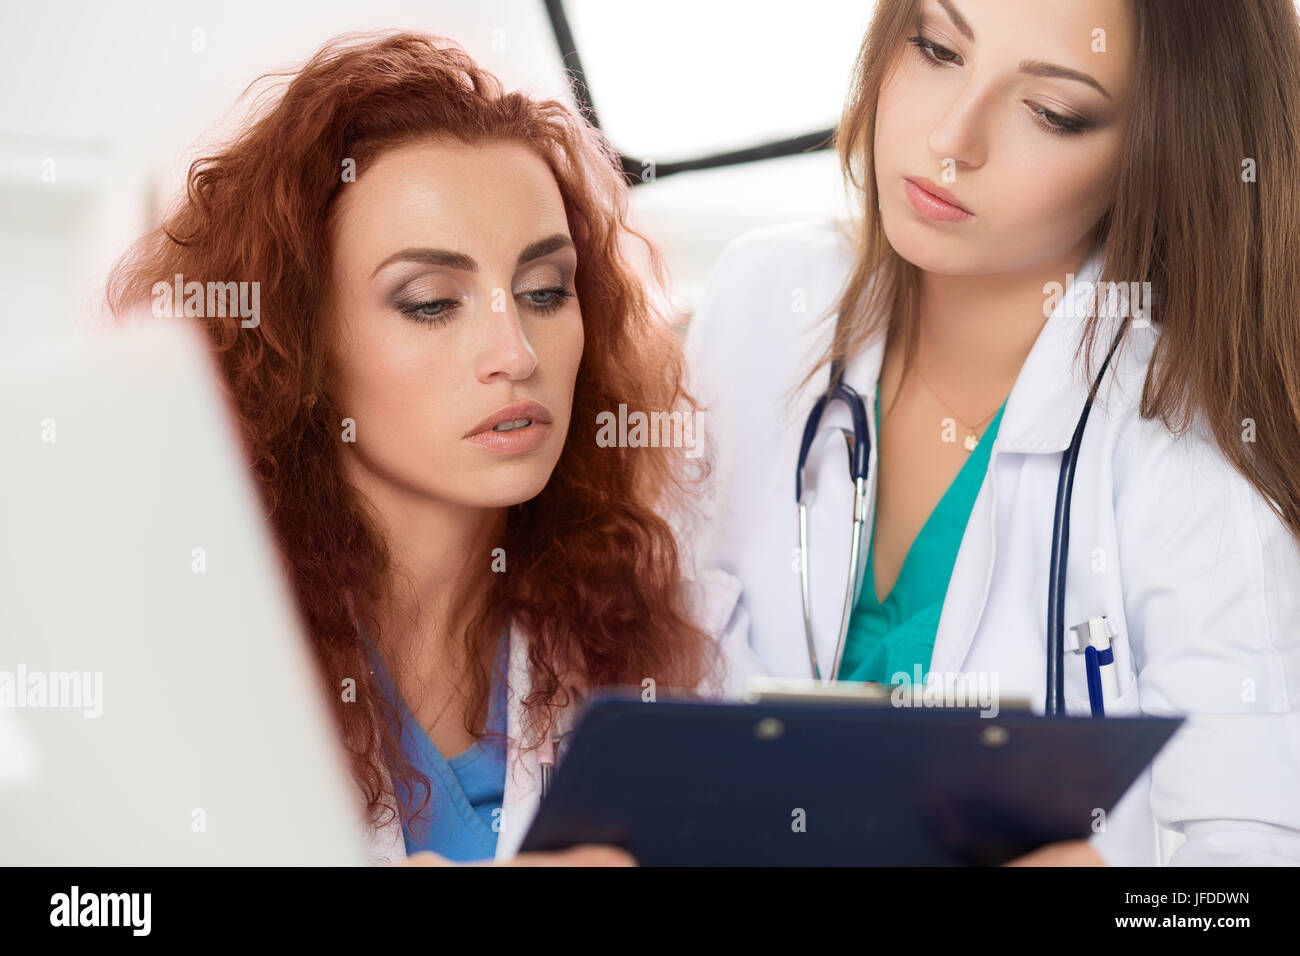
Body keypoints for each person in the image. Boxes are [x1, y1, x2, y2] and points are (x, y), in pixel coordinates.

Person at [108, 32, 750, 865]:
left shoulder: (648, 626)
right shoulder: (185, 636)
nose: (516, 353)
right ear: (300, 342)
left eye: (545, 291)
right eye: (431, 303)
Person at [686, 0, 1300, 865]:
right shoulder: (760, 301)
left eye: (1052, 112)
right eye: (936, 48)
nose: (952, 137)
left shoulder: (1185, 431)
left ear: (1159, 155)